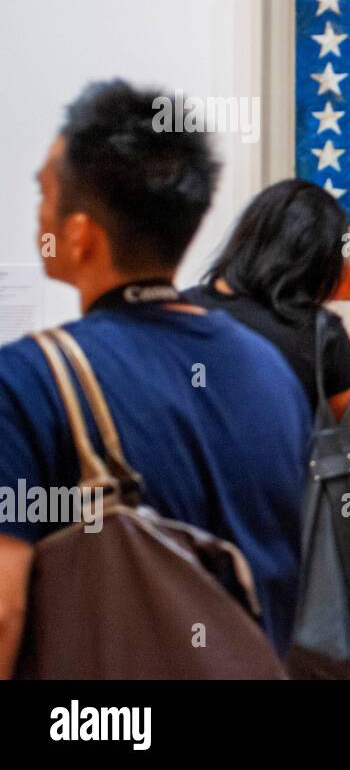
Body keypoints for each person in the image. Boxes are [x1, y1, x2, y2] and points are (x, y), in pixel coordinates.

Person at [0, 80, 314, 674]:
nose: (37, 208)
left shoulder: (27, 381)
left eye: (45, 191)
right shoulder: (272, 373)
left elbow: (2, 611)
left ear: (79, 231)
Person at [185, 179, 350, 460]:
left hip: (186, 498)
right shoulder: (321, 333)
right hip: (284, 499)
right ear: (318, 261)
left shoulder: (180, 311)